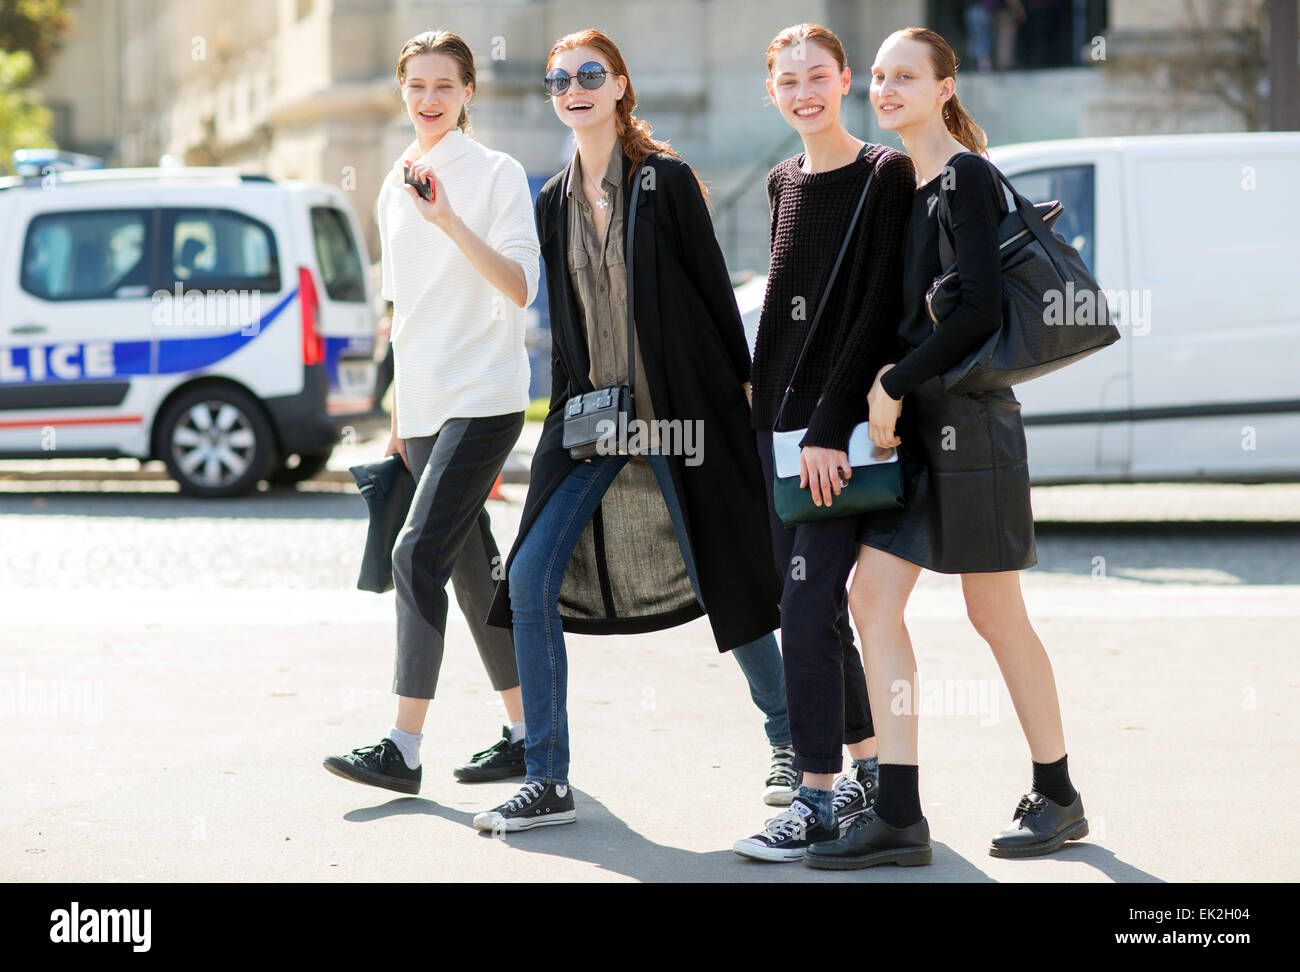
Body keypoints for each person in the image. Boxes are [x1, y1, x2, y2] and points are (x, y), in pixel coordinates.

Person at [474, 28, 796, 833]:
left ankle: (791, 740)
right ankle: (548, 776)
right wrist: (555, 429)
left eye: (590, 74)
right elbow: (567, 329)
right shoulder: (551, 200)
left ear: (620, 87)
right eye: (559, 79)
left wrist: (743, 399)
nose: (573, 88)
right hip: (593, 421)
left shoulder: (668, 182)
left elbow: (714, 294)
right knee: (530, 580)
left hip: (681, 418)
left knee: (729, 577)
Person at [802, 27, 1087, 870]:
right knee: (873, 602)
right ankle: (899, 810)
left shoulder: (963, 173)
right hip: (917, 434)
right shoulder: (903, 182)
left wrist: (891, 384)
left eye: (905, 76)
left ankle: (1059, 793)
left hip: (972, 431)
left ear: (944, 87)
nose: (885, 89)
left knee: (995, 615)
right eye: (879, 76)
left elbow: (978, 312)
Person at [322, 30, 540, 794]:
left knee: (415, 554)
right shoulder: (394, 179)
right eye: (416, 85)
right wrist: (395, 408)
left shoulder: (497, 174)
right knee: (474, 569)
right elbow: (403, 309)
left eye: (444, 85)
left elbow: (520, 286)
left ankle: (402, 747)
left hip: (484, 396)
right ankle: (526, 733)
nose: (429, 99)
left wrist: (449, 218)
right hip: (422, 406)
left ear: (469, 92)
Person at [731, 23, 916, 864]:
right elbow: (783, 315)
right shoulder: (780, 181)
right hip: (780, 435)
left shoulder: (886, 176)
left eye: (818, 75)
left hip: (834, 441)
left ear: (844, 80)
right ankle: (869, 771)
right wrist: (759, 415)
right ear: (771, 93)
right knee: (805, 609)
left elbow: (875, 311)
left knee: (807, 609)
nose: (804, 91)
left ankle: (810, 794)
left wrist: (828, 428)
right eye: (788, 80)